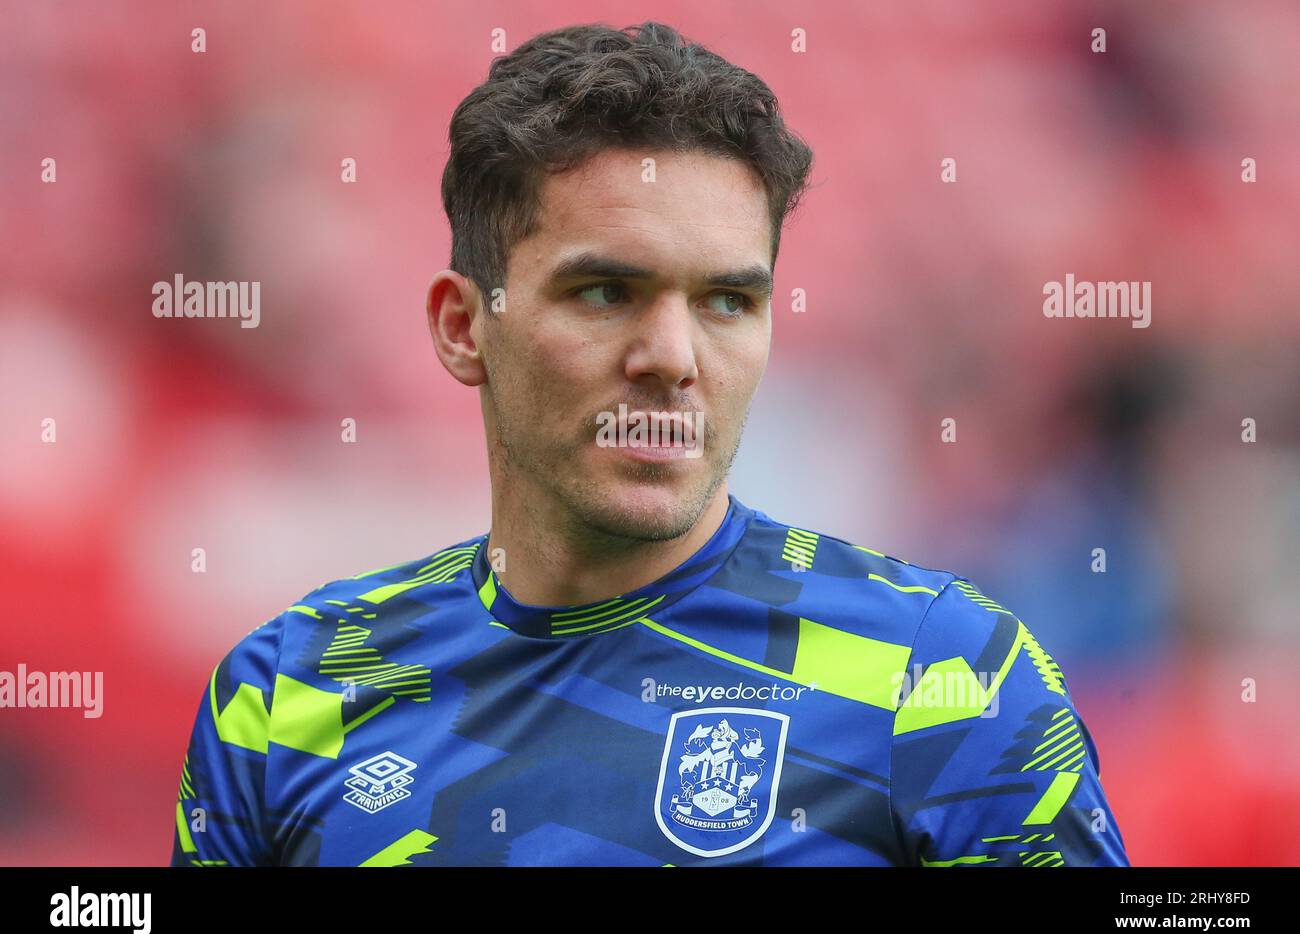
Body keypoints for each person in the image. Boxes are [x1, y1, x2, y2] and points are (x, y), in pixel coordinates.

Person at [171, 21, 1128, 866]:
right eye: (604, 292)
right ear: (464, 329)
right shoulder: (284, 700)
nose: (672, 357)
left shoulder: (945, 676)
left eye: (727, 301)